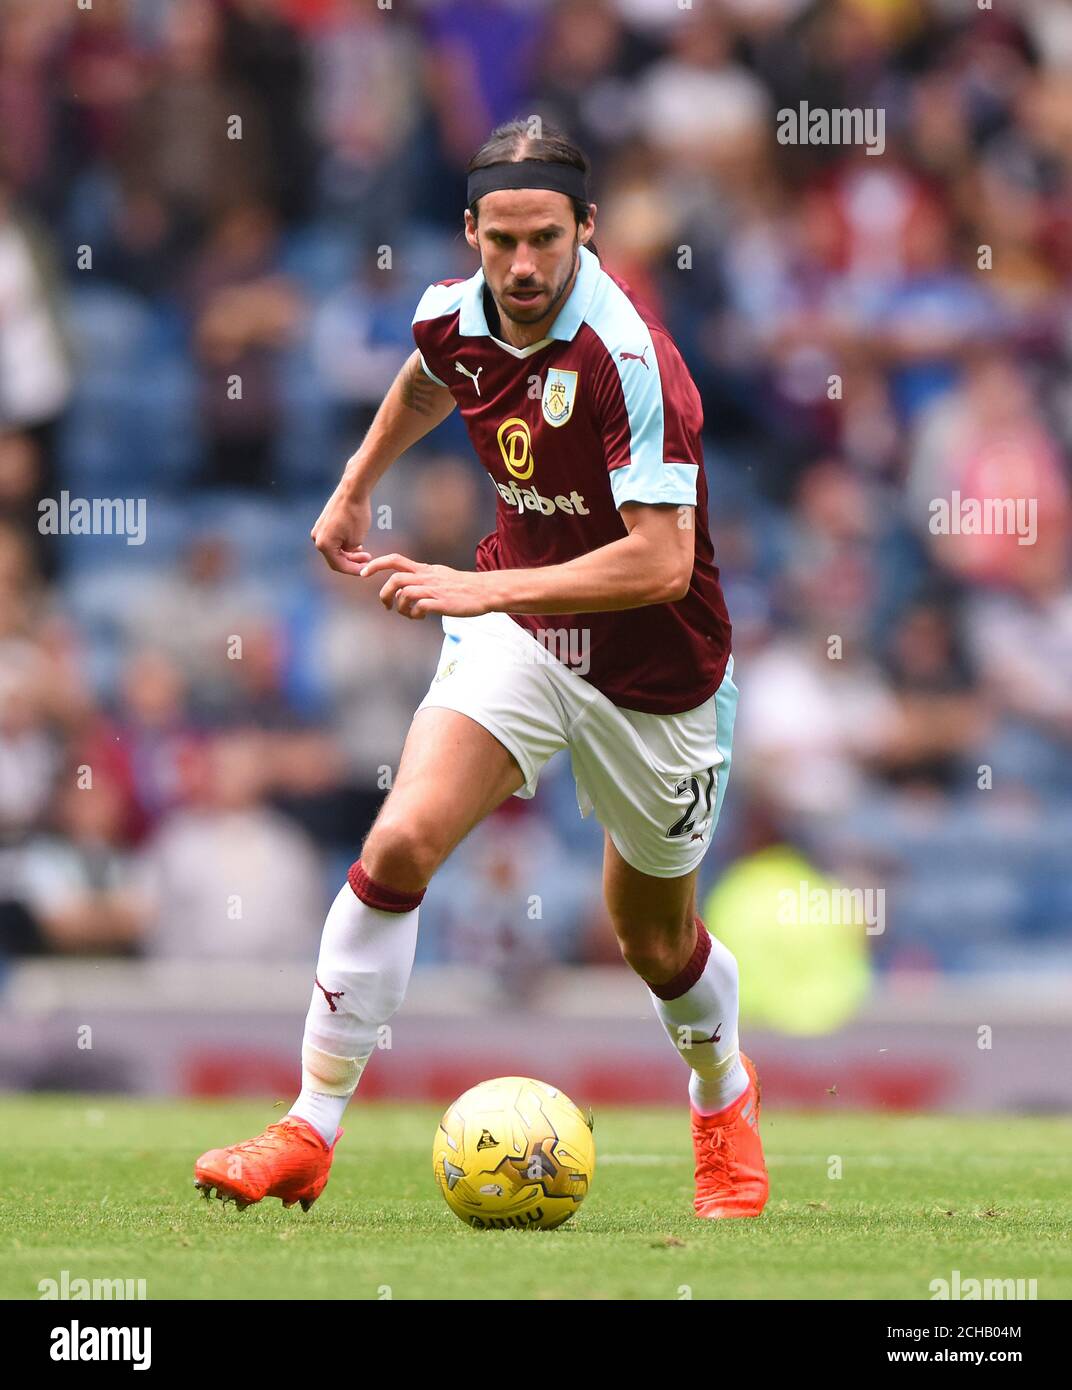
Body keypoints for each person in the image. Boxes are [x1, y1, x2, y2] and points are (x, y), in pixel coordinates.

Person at [193, 121, 768, 1220]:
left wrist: (477, 586)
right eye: (500, 239)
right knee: (401, 837)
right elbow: (428, 373)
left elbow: (660, 561)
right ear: (471, 232)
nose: (521, 265)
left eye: (544, 239)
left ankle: (721, 1094)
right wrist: (357, 481)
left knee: (653, 939)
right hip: (520, 635)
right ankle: (309, 1127)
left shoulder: (631, 359)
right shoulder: (457, 310)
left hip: (657, 678)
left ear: (584, 231)